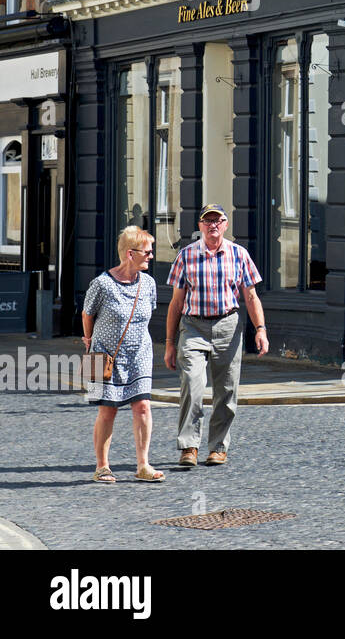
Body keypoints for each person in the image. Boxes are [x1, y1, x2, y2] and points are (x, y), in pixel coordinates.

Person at [165, 204, 267, 467]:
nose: (212, 225)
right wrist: (169, 344)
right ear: (199, 226)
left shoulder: (239, 254)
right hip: (193, 327)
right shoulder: (186, 256)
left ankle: (218, 447)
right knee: (192, 384)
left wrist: (261, 330)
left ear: (225, 225)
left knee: (227, 390)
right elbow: (176, 303)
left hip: (228, 326)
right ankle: (189, 447)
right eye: (207, 221)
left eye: (217, 220)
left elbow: (251, 296)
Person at [83, 226, 164, 483]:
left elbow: (145, 315)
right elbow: (87, 314)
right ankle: (102, 466)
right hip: (103, 356)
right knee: (107, 410)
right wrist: (89, 341)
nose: (151, 255)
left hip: (139, 353)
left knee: (142, 406)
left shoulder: (149, 283)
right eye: (147, 251)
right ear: (131, 253)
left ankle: (143, 465)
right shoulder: (102, 284)